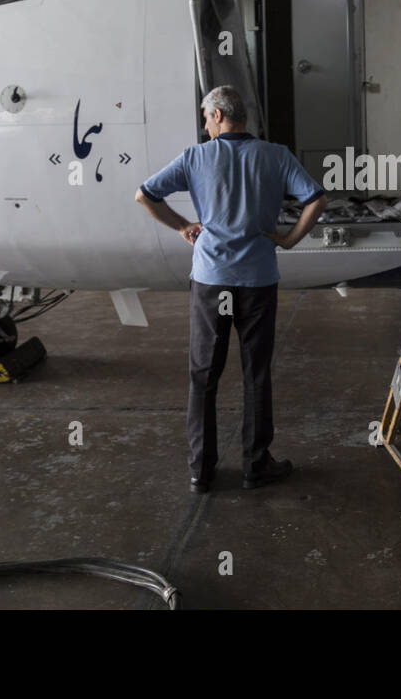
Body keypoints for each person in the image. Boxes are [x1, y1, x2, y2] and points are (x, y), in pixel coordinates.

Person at [135, 86, 327, 494]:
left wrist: (183, 226)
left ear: (220, 116)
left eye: (207, 118)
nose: (205, 126)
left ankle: (200, 470)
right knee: (256, 373)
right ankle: (255, 465)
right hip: (257, 281)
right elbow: (316, 199)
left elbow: (145, 195)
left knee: (204, 373)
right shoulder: (276, 156)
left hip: (211, 281)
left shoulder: (195, 157)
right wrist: (289, 239)